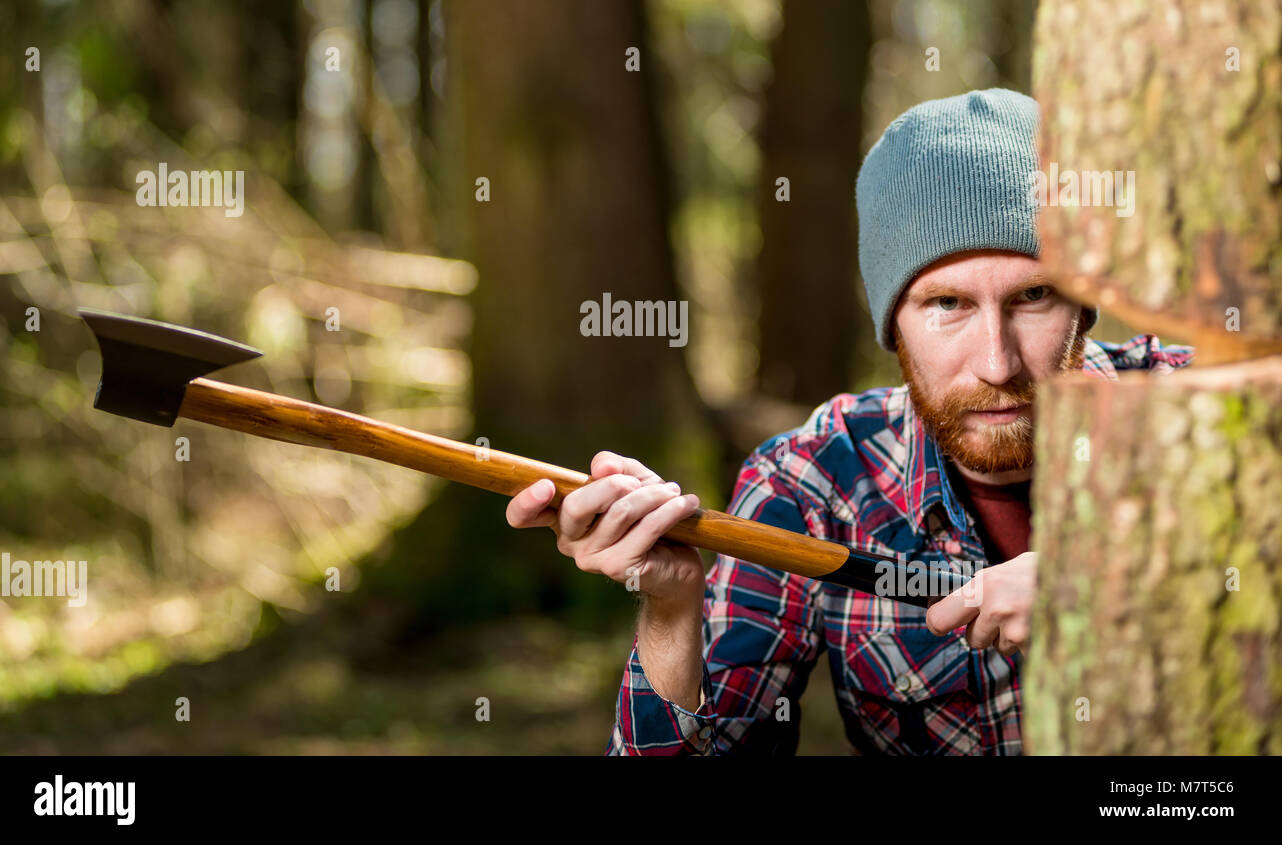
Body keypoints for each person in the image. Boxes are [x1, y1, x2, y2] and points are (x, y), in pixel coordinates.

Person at [505, 88, 1193, 755]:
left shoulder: (1206, 415)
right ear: (892, 322)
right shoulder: (814, 483)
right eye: (947, 303)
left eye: (1034, 295)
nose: (996, 362)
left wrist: (1116, 585)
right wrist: (671, 612)